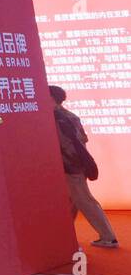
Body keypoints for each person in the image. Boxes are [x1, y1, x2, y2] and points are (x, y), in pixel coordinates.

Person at [50, 85, 119, 247]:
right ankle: (65, 237)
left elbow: (65, 144)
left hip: (70, 165)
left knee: (84, 201)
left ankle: (109, 237)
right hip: (77, 164)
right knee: (72, 201)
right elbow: (83, 139)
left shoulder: (57, 118)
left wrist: (66, 161)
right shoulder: (69, 116)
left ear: (51, 98)